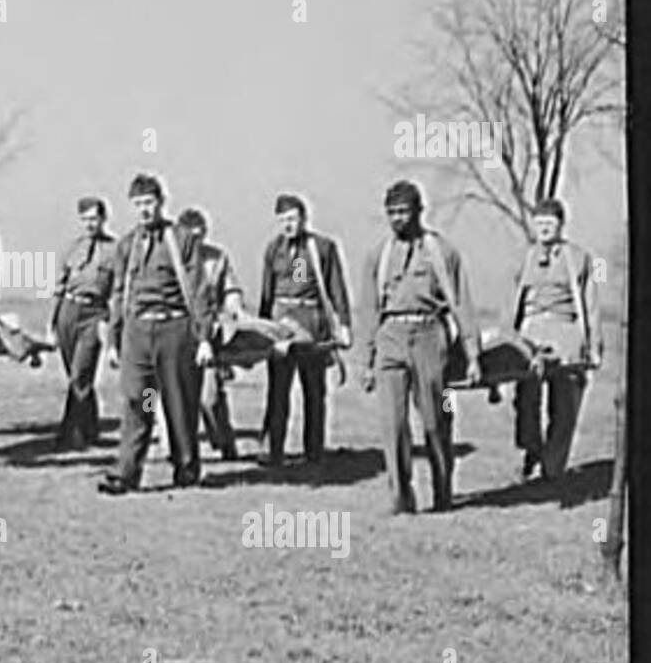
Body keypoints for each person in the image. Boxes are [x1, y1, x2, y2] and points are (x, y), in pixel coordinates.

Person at [359, 180, 481, 513]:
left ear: (418, 212)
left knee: (437, 418)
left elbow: (462, 303)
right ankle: (401, 497)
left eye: (404, 211)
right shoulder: (378, 256)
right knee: (392, 424)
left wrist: (472, 354)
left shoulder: (442, 251)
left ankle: (443, 491)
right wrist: (366, 361)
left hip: (431, 337)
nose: (398, 219)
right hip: (390, 338)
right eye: (392, 213)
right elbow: (369, 309)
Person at [98, 173, 215, 495]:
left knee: (179, 403)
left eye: (148, 203)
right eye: (137, 205)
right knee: (139, 399)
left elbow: (199, 290)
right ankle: (126, 472)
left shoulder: (181, 240)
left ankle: (186, 468)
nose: (144, 210)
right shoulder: (127, 245)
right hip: (138, 332)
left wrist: (204, 338)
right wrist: (113, 340)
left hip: (174, 329)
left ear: (161, 202)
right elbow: (118, 294)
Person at [504, 198, 603, 481]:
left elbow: (591, 305)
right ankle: (531, 448)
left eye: (550, 223)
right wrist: (505, 342)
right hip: (531, 331)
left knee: (565, 402)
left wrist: (593, 347)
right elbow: (509, 304)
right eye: (540, 223)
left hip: (566, 330)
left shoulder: (580, 258)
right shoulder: (523, 257)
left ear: (561, 225)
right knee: (526, 398)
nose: (545, 229)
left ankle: (553, 466)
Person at [257, 193, 353, 465]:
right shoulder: (273, 249)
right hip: (280, 327)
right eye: (283, 220)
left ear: (304, 219)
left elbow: (337, 290)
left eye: (292, 218)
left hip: (312, 324)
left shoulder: (321, 248)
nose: (288, 225)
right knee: (278, 393)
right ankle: (275, 452)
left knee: (314, 392)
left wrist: (344, 324)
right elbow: (266, 292)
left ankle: (314, 453)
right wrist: (262, 331)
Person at [48, 197, 116, 451]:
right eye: (85, 219)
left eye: (94, 219)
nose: (90, 224)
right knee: (76, 377)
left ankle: (70, 434)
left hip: (94, 314)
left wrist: (111, 324)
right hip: (68, 311)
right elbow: (58, 287)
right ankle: (90, 428)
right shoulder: (71, 248)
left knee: (81, 374)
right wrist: (52, 323)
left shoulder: (115, 250)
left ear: (103, 219)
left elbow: (118, 291)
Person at [176, 207, 245, 460]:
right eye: (190, 237)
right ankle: (167, 444)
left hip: (208, 331)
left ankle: (224, 440)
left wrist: (236, 312)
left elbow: (231, 290)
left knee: (210, 396)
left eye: (200, 235)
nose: (196, 242)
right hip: (172, 332)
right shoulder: (168, 257)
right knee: (153, 394)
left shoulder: (217, 259)